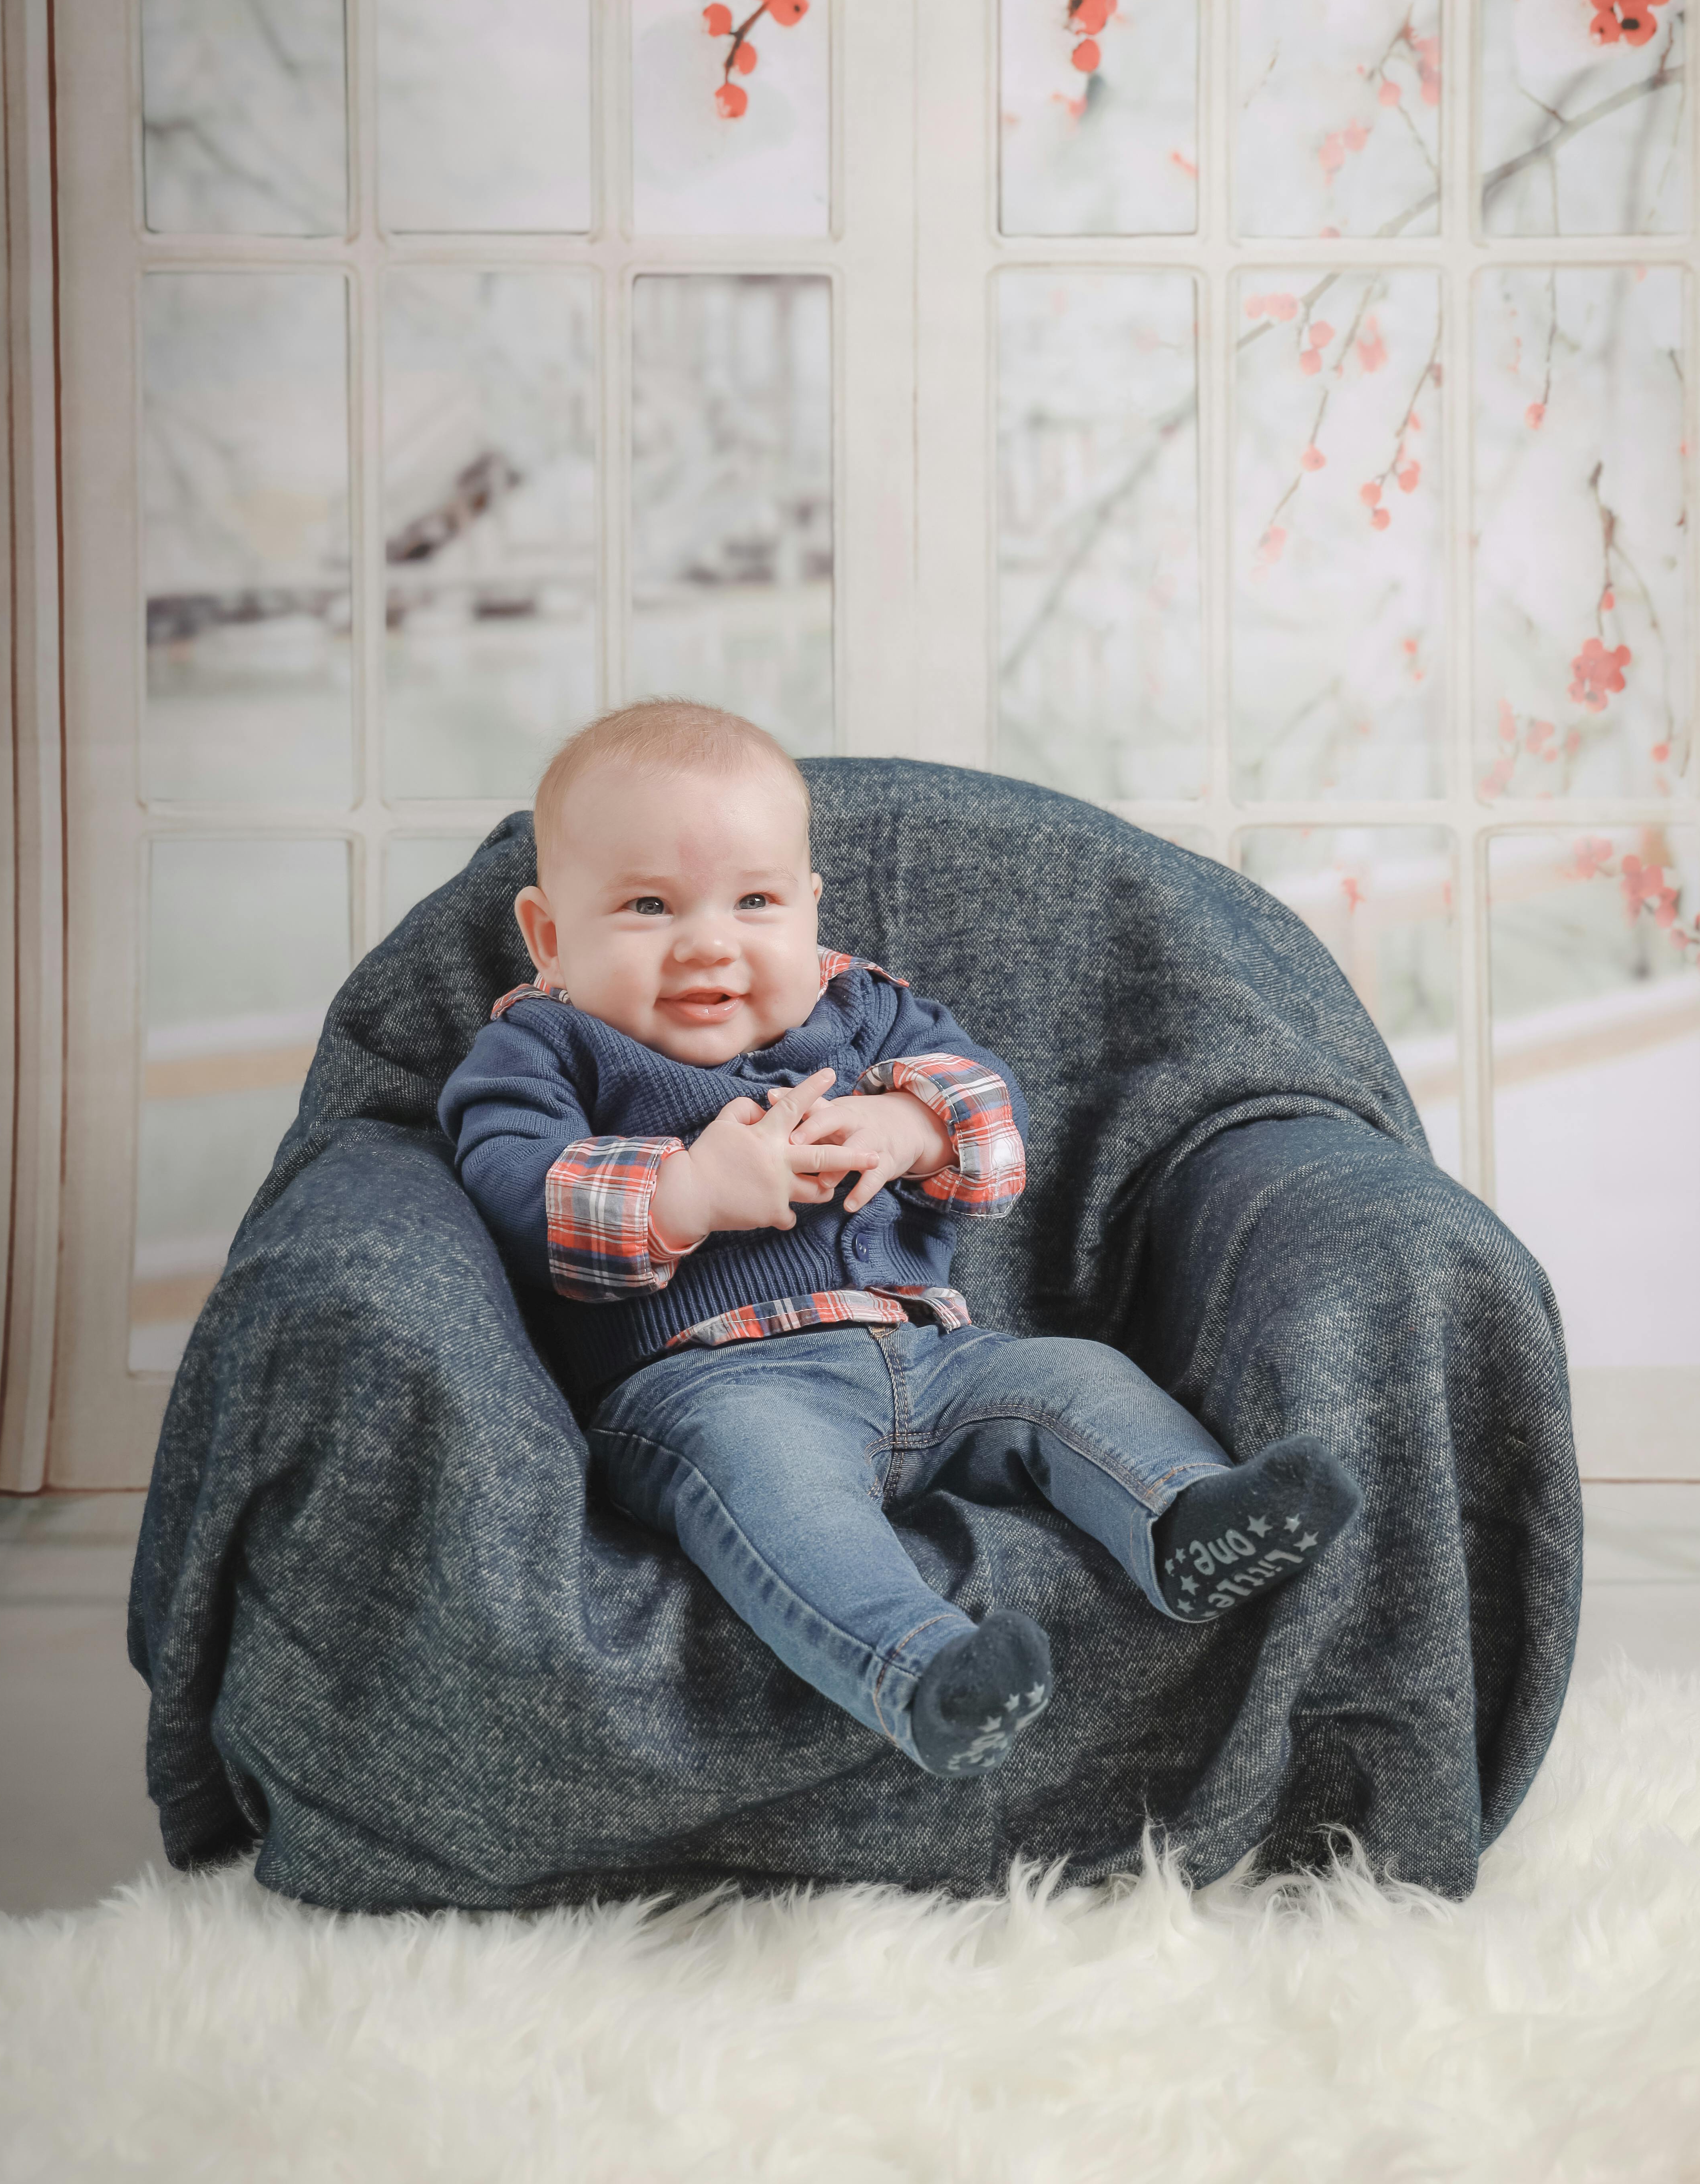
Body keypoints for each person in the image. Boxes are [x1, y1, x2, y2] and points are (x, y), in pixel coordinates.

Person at [439, 700, 1361, 1778]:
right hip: (711, 1389)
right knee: (772, 1490)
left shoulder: (860, 1012)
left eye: (754, 901)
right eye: (648, 905)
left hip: (931, 1356)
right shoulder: (544, 1048)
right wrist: (685, 1192)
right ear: (551, 935)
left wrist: (914, 1125)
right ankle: (925, 1674)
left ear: (807, 908)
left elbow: (994, 1118)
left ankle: (1186, 1523)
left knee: (1073, 1377)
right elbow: (513, 1191)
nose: (707, 944)